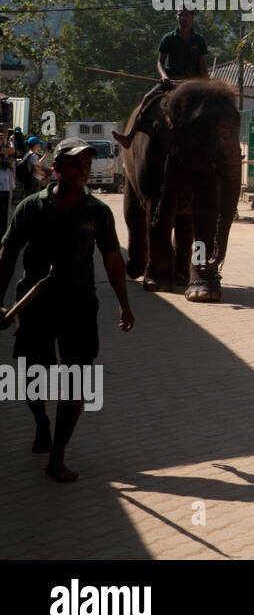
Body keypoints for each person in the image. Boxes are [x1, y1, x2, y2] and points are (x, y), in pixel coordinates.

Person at [0, 138, 135, 482]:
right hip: (35, 304)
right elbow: (8, 254)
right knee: (33, 377)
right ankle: (42, 423)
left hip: (78, 306)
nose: (84, 169)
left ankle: (57, 457)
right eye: (76, 163)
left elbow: (112, 259)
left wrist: (124, 304)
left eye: (87, 164)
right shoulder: (31, 207)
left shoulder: (98, 212)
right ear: (57, 168)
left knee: (77, 380)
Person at [114, 6, 210, 149]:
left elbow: (202, 65)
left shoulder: (199, 39)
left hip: (192, 84)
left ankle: (218, 146)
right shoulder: (168, 38)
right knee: (147, 98)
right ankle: (129, 137)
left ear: (192, 17)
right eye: (180, 15)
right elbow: (160, 62)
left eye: (186, 15)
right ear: (176, 17)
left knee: (212, 108)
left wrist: (207, 84)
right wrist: (164, 76)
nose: (182, 18)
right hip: (170, 81)